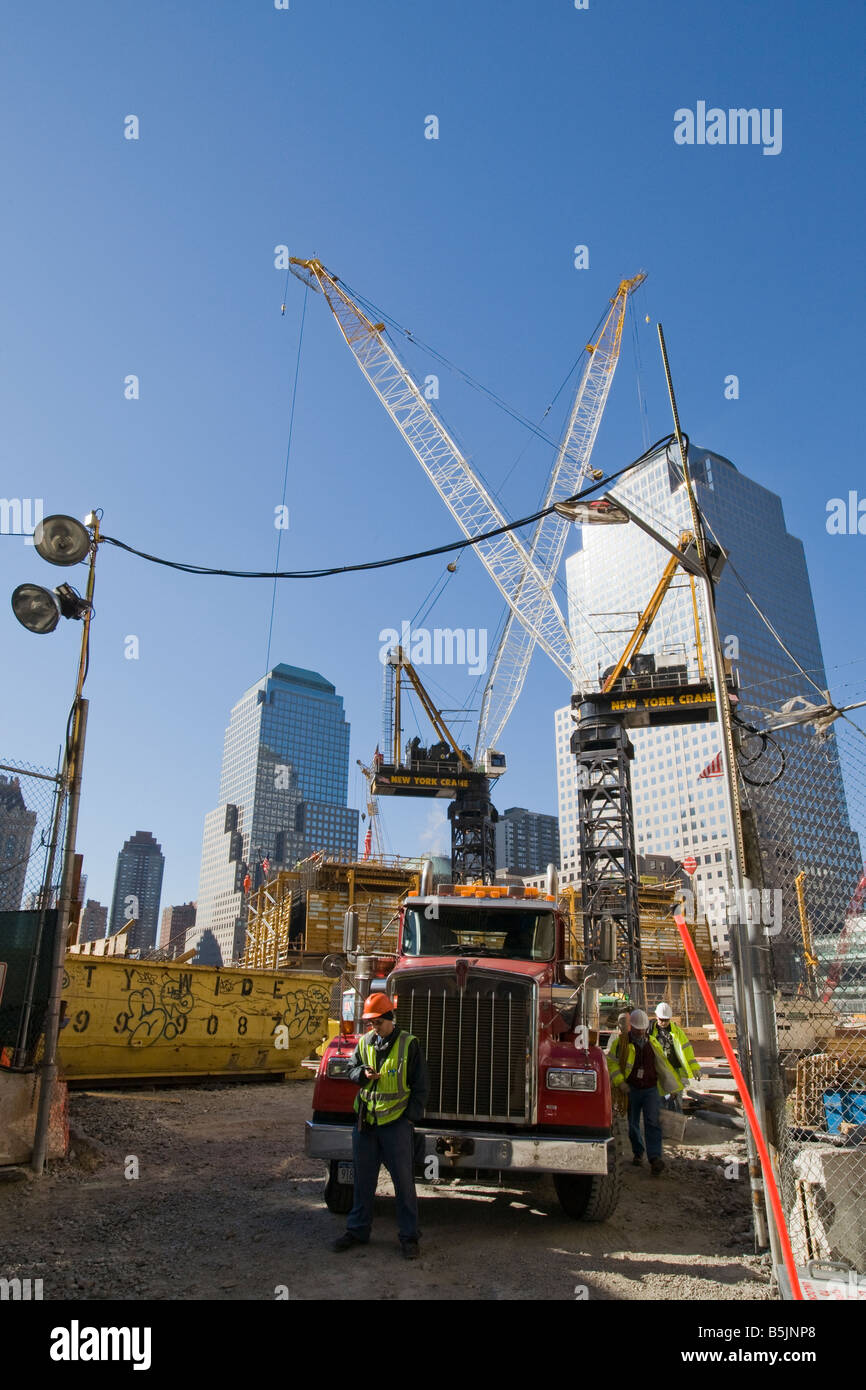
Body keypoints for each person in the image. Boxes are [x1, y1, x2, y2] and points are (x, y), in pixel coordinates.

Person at [333, 992, 429, 1259]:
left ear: (390, 1018)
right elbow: (350, 1070)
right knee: (363, 1181)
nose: (373, 1027)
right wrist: (361, 1074)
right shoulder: (364, 1043)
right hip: (367, 1123)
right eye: (371, 1022)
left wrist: (409, 1117)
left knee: (403, 1183)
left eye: (377, 1022)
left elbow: (421, 1086)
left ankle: (409, 1237)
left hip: (395, 1124)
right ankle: (357, 1230)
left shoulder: (409, 1044)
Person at [606, 1008, 682, 1176]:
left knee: (652, 1122)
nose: (640, 1032)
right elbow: (611, 1064)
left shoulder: (652, 1043)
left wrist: (672, 1088)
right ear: (631, 1027)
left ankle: (655, 1158)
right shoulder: (621, 1043)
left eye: (643, 1029)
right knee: (633, 1125)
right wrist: (620, 1083)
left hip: (650, 1089)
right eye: (637, 1029)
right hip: (631, 1089)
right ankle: (638, 1152)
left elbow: (663, 1067)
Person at [650, 1002, 702, 1111]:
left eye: (666, 1020)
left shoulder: (678, 1033)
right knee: (660, 1103)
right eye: (661, 1019)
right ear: (656, 1016)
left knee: (676, 1104)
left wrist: (695, 1068)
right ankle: (662, 1125)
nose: (663, 1022)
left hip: (675, 1072)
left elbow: (687, 1052)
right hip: (659, 1072)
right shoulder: (650, 1032)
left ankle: (677, 1126)